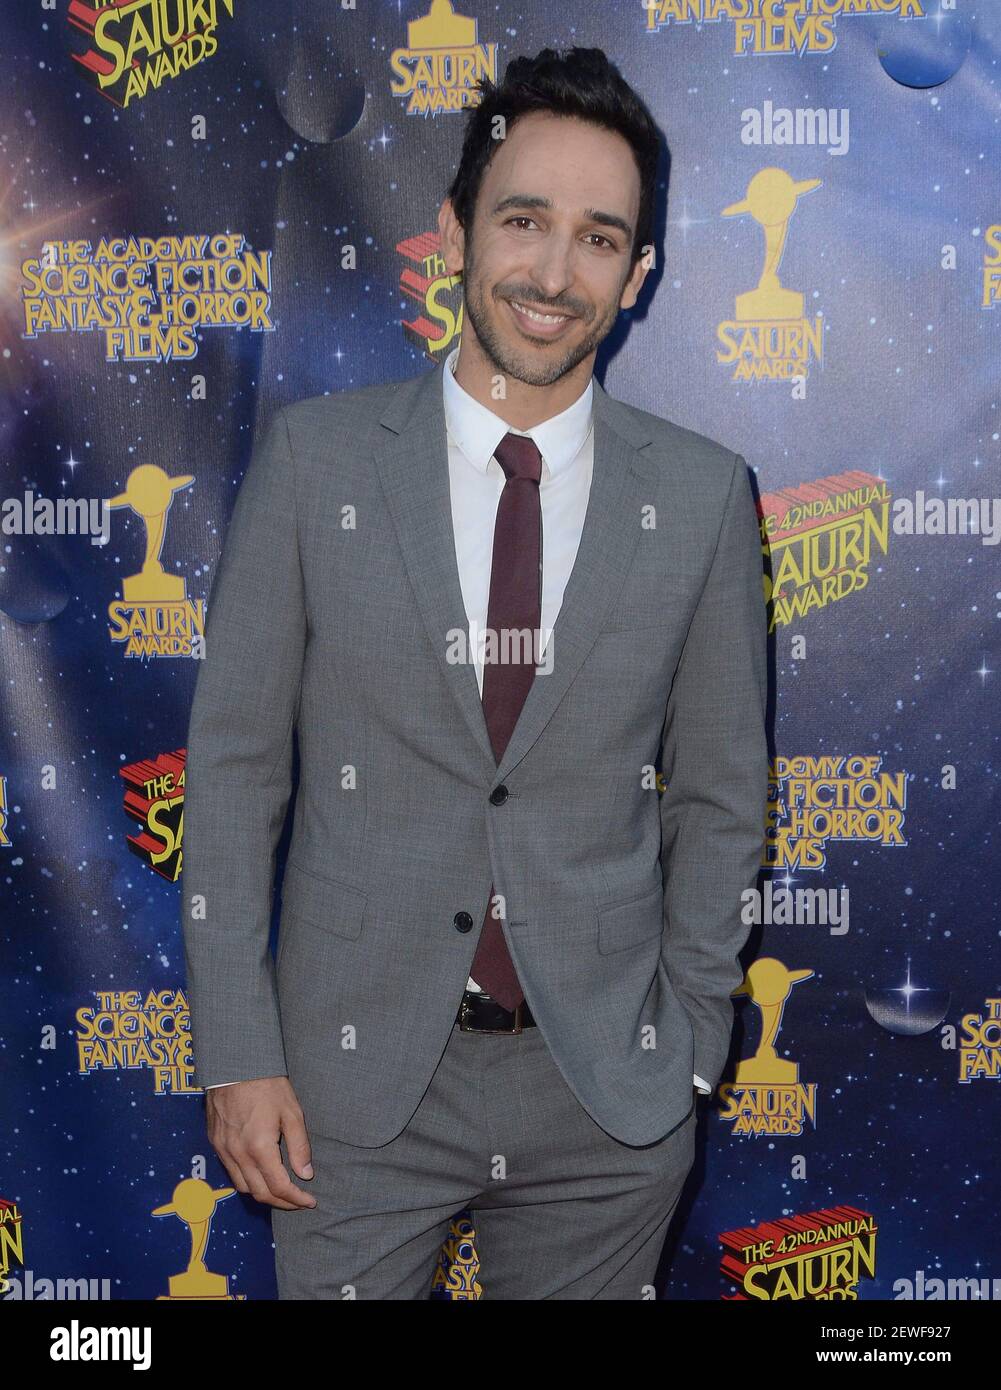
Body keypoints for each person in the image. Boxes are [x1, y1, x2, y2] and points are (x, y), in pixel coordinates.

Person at [181, 45, 769, 1300]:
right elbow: (231, 777)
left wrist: (688, 1055)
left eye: (600, 238)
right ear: (454, 230)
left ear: (640, 272)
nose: (554, 274)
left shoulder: (705, 497)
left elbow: (723, 798)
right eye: (523, 220)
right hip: (347, 1086)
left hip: (605, 1096)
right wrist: (237, 1050)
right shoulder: (315, 466)